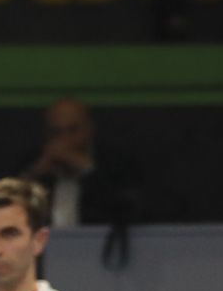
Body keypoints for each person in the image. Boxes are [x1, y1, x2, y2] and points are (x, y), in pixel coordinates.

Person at [15, 97, 146, 227]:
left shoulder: (116, 166)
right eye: (55, 132)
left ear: (90, 129)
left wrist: (87, 170)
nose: (64, 139)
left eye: (73, 130)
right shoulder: (32, 167)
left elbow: (130, 213)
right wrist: (34, 176)